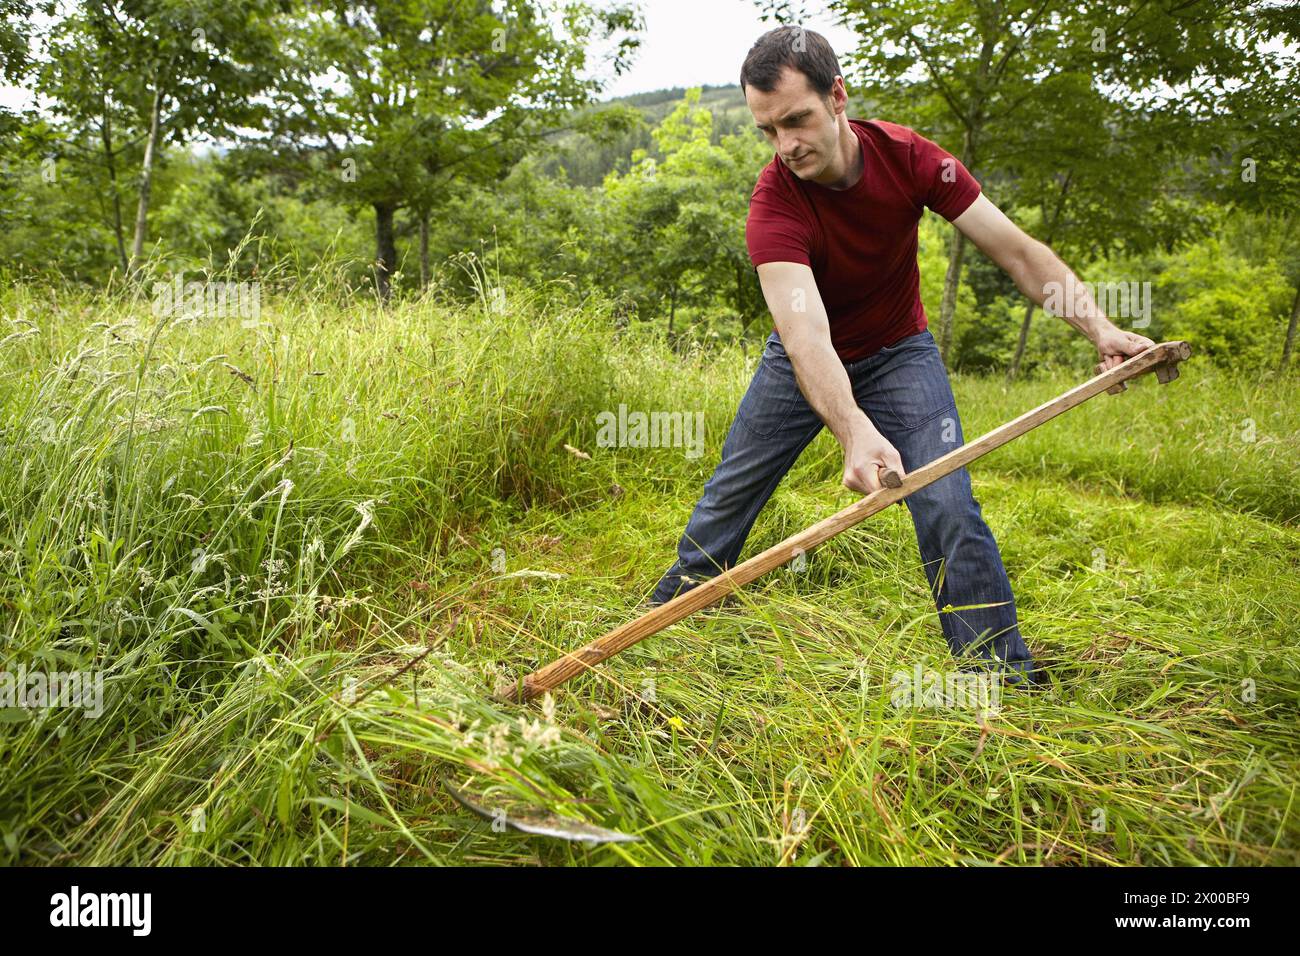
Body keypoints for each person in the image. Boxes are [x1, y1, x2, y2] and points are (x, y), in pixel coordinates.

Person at [647, 26, 1155, 684]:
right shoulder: (773, 205)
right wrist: (853, 427)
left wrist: (1100, 328)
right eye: (768, 131)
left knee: (947, 501)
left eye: (796, 120)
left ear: (838, 97)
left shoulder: (912, 159)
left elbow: (1019, 253)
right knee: (727, 500)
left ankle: (996, 681)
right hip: (803, 362)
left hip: (899, 353)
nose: (787, 146)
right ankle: (658, 636)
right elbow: (805, 337)